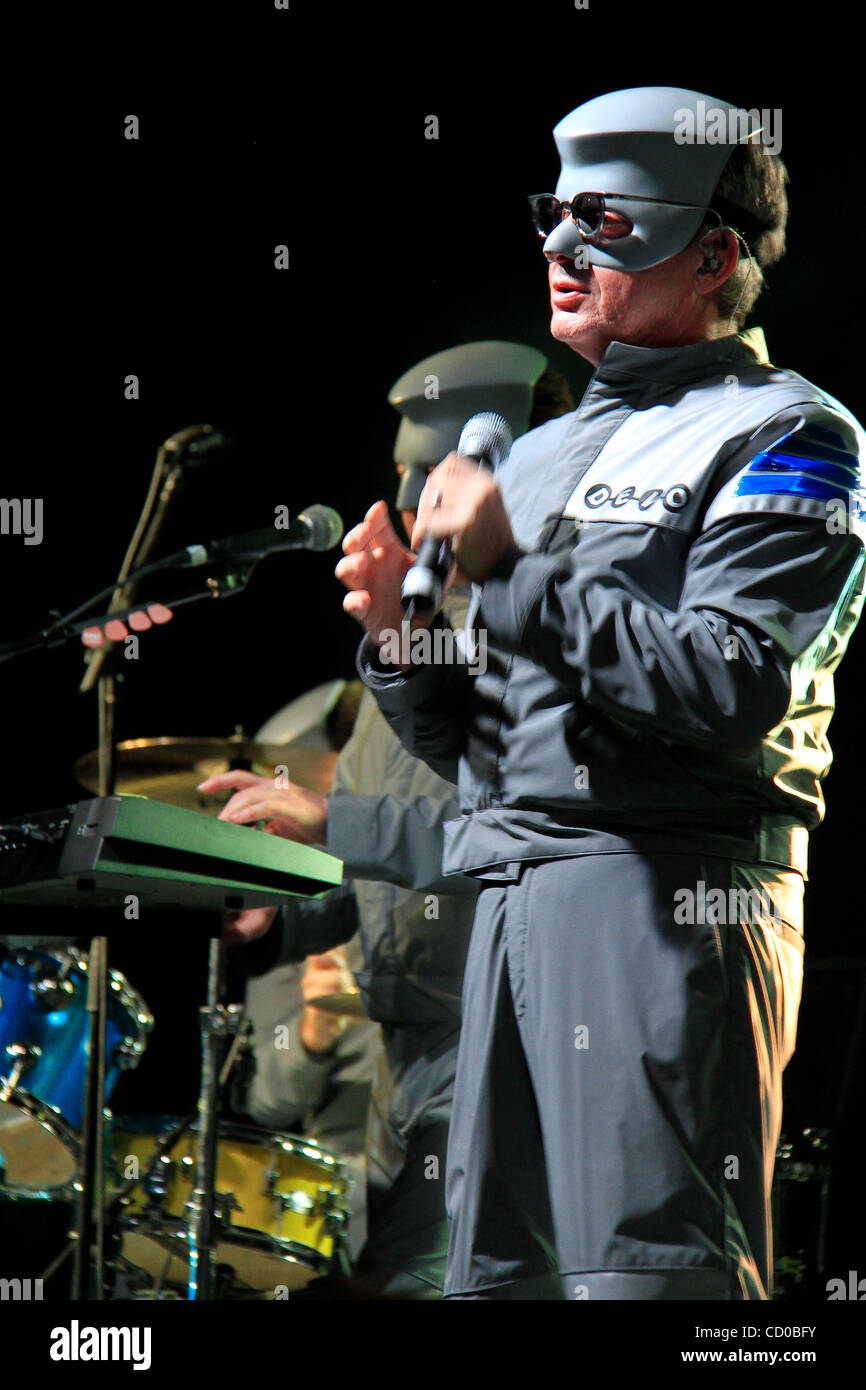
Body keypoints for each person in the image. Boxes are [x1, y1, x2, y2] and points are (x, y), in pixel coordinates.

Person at [333, 87, 865, 1299]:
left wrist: (508, 570)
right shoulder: (536, 448)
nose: (559, 249)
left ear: (714, 251)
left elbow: (727, 681)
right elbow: (475, 748)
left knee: (647, 1275)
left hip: (663, 890)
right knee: (495, 1280)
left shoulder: (787, 432)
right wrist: (398, 633)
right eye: (551, 214)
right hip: (508, 900)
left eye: (602, 220)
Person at [202, 342, 575, 1296]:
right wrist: (281, 921)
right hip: (401, 1069)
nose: (408, 492)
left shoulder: (544, 628)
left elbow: (514, 840)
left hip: (501, 1047)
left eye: (436, 467)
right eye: (400, 469)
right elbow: (385, 872)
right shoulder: (403, 634)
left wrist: (330, 818)